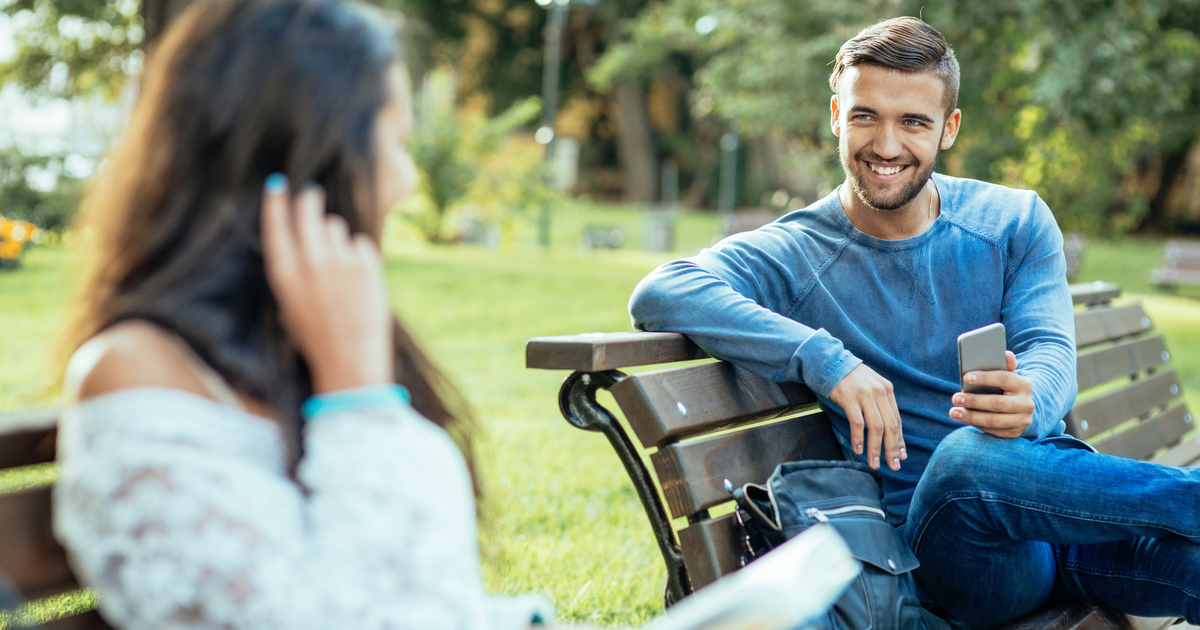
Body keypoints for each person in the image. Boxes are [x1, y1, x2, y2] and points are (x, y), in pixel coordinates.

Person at [628, 16, 1200, 630]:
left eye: (914, 122)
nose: (887, 145)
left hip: (1059, 528)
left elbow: (1050, 350)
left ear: (949, 128)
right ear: (835, 116)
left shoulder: (1013, 222)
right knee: (965, 463)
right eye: (866, 115)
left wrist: (1030, 402)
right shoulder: (799, 253)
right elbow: (662, 290)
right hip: (954, 563)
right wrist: (826, 360)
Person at [52, 0, 554, 627]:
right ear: (309, 158)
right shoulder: (136, 369)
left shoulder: (299, 343)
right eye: (395, 143)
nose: (404, 180)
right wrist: (356, 395)